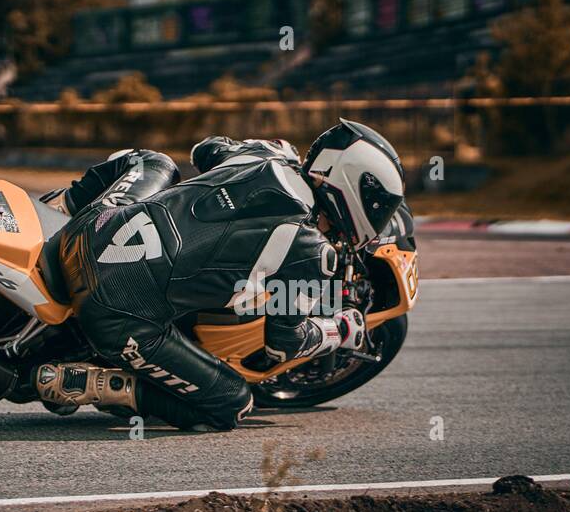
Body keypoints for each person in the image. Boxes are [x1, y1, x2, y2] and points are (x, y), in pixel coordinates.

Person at [34, 120, 406, 431]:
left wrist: (261, 150)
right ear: (359, 191)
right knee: (231, 404)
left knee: (153, 161)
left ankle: (55, 208)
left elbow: (205, 149)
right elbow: (283, 345)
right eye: (382, 208)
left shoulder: (266, 155)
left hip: (88, 230)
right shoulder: (310, 250)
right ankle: (96, 385)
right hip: (113, 309)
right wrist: (340, 330)